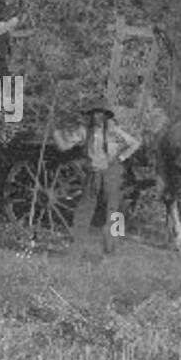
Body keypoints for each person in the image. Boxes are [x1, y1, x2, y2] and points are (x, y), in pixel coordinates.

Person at [69, 103, 141, 255]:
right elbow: (69, 141)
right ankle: (77, 246)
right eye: (94, 113)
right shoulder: (85, 132)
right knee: (84, 208)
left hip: (110, 173)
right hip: (93, 173)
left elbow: (134, 143)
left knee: (114, 210)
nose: (97, 117)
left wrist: (121, 157)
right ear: (91, 116)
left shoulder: (113, 131)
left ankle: (112, 248)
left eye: (100, 114)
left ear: (105, 116)